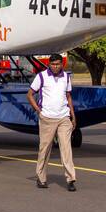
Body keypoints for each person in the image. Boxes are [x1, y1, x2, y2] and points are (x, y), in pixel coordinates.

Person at [26, 55, 77, 191]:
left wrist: (73, 115)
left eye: (58, 64)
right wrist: (38, 111)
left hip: (63, 118)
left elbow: (68, 96)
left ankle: (71, 179)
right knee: (45, 148)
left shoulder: (66, 77)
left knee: (66, 148)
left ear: (62, 64)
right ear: (49, 64)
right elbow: (30, 94)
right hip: (47, 118)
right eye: (53, 64)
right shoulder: (41, 76)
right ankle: (41, 178)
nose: (55, 66)